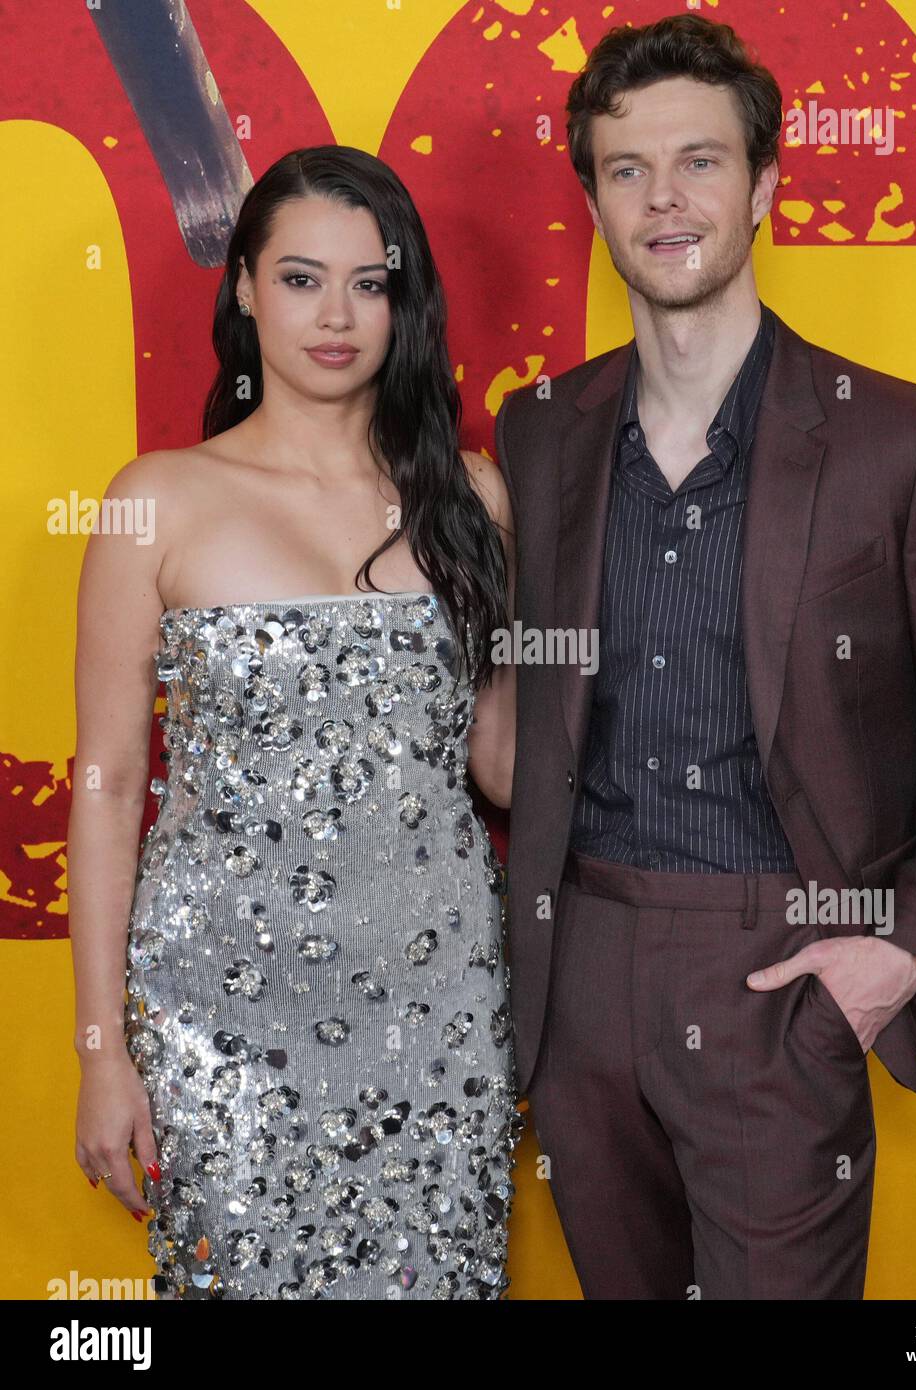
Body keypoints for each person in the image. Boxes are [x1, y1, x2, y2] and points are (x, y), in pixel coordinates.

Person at [492, 14, 916, 1299]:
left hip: (777, 970)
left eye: (699, 162)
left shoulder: (895, 443)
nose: (663, 198)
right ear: (592, 198)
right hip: (575, 968)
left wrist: (897, 951)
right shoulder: (538, 432)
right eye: (625, 170)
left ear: (765, 188)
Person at [68, 146, 521, 1299]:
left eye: (371, 284)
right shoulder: (155, 499)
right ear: (243, 289)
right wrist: (102, 1055)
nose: (336, 315)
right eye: (302, 278)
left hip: (441, 1013)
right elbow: (111, 784)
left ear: (403, 301)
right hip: (216, 1014)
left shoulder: (470, 496)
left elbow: (505, 762)